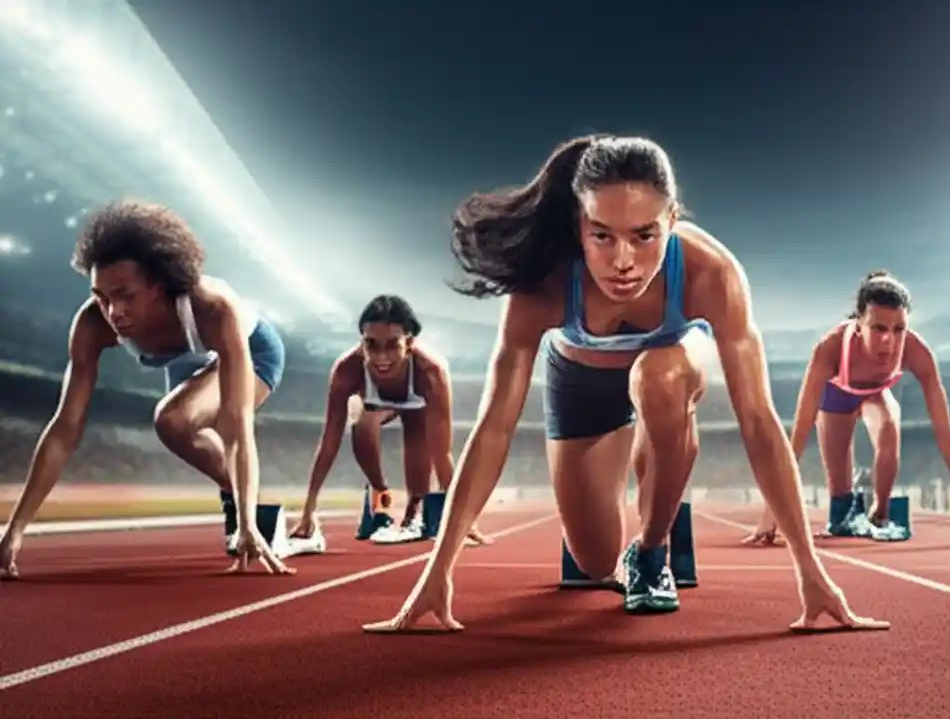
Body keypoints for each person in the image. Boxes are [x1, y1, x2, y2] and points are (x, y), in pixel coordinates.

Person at [363, 134, 889, 631]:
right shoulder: (542, 285)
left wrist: (810, 569)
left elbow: (757, 419)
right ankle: (641, 454)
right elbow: (495, 427)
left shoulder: (711, 273)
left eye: (644, 236)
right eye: (602, 236)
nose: (622, 262)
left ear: (672, 220)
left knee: (659, 378)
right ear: (578, 225)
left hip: (667, 370)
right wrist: (438, 570)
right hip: (580, 384)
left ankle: (651, 548)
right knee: (594, 562)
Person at [0, 199, 293, 579]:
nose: (114, 312)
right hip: (187, 360)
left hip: (251, 348)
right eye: (102, 296)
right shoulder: (93, 324)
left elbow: (237, 427)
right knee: (178, 426)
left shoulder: (213, 310)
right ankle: (253, 503)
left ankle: (251, 516)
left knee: (174, 420)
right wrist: (15, 530)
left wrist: (247, 523)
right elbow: (64, 428)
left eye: (125, 295)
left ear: (158, 285)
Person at [743, 271, 950, 545]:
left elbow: (945, 432)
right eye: (879, 328)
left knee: (889, 427)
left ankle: (880, 513)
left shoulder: (917, 352)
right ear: (858, 323)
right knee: (840, 506)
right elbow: (798, 435)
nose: (889, 341)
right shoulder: (830, 348)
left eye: (899, 329)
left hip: (876, 395)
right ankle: (845, 510)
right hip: (837, 400)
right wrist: (773, 511)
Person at [286, 294, 488, 551]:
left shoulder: (431, 372)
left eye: (393, 345)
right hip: (374, 406)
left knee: (418, 441)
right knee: (362, 426)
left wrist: (462, 519)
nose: (381, 358)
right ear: (361, 343)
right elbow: (329, 441)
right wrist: (308, 510)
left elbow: (441, 454)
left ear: (410, 343)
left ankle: (414, 509)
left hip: (418, 408)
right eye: (371, 345)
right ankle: (383, 499)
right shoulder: (348, 369)